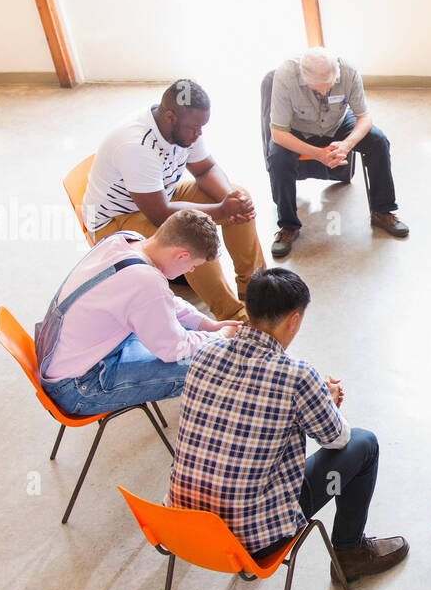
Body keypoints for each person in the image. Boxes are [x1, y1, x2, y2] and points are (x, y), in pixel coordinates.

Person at [168, 267, 408, 582]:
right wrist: (324, 398)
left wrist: (312, 396)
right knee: (365, 444)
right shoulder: (298, 376)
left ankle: (349, 552)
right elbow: (336, 439)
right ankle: (349, 553)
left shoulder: (206, 352)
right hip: (251, 538)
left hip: (180, 524)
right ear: (293, 319)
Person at [83, 78, 265, 323]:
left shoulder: (185, 125)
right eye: (195, 128)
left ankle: (254, 285)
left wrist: (231, 200)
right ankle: (235, 316)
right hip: (116, 220)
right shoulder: (137, 146)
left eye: (202, 126)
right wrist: (221, 211)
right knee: (191, 237)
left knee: (238, 192)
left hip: (161, 193)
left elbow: (205, 169)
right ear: (170, 117)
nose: (199, 133)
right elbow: (160, 214)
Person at [36, 210, 239, 417]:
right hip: (79, 387)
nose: (192, 271)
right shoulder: (146, 281)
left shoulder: (125, 241)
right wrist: (219, 337)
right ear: (182, 255)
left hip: (61, 358)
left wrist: (205, 324)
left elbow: (162, 302)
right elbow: (172, 349)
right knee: (208, 361)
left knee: (194, 338)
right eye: (193, 265)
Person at [264, 47, 409, 259]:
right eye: (317, 88)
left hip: (338, 124)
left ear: (336, 73)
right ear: (303, 75)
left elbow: (364, 117)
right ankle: (288, 226)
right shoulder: (286, 74)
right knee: (278, 158)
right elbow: (278, 133)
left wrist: (347, 145)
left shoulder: (348, 71)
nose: (324, 93)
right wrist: (318, 154)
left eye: (328, 87)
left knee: (378, 142)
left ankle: (382, 211)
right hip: (298, 129)